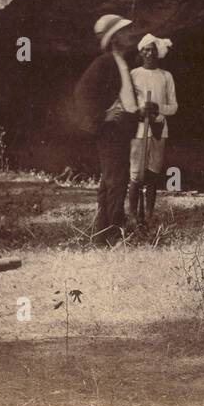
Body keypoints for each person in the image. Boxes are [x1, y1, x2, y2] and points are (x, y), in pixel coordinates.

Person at [72, 14, 140, 245]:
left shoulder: (121, 61)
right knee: (116, 181)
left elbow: (126, 98)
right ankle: (114, 233)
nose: (129, 35)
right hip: (111, 131)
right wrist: (103, 115)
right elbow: (82, 93)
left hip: (122, 130)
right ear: (114, 38)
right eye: (123, 32)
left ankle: (102, 232)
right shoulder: (105, 62)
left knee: (110, 180)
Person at [128, 34, 177, 228]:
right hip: (139, 131)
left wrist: (158, 108)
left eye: (153, 50)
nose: (149, 53)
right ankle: (132, 216)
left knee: (153, 175)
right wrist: (139, 111)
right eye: (146, 50)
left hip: (158, 129)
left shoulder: (166, 76)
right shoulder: (133, 75)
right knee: (135, 175)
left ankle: (148, 216)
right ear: (140, 52)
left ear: (158, 53)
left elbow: (173, 107)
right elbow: (127, 103)